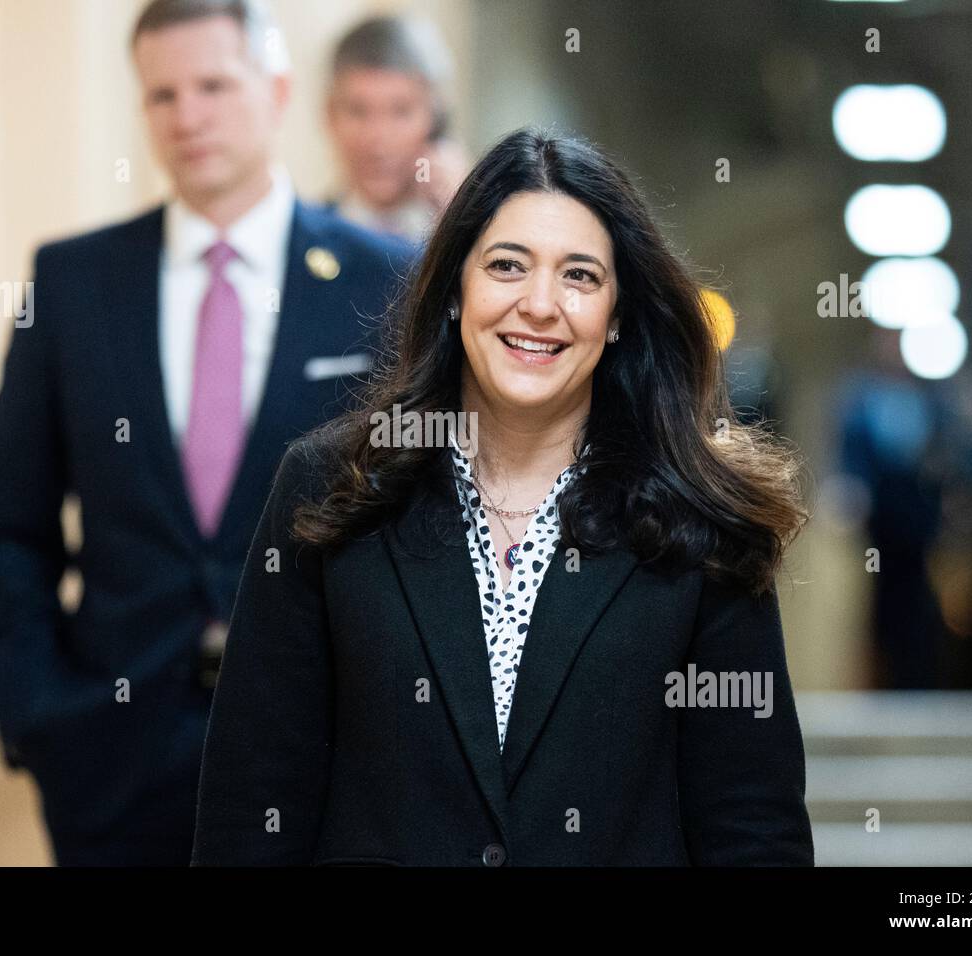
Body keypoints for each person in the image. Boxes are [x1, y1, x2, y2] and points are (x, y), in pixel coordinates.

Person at [191, 127, 814, 866]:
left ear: (617, 315)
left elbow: (753, 830)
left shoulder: (701, 520)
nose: (540, 304)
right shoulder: (333, 490)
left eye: (580, 276)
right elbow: (251, 806)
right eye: (507, 265)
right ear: (456, 287)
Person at [0, 0, 412, 866]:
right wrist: (39, 716)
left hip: (323, 770)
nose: (189, 115)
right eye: (162, 95)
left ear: (277, 90)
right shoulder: (71, 283)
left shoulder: (382, 279)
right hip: (112, 773)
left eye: (214, 84)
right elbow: (9, 531)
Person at [324, 14, 467, 243]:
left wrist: (462, 216)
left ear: (436, 118)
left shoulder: (471, 236)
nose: (377, 137)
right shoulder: (306, 240)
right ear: (330, 115)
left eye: (401, 111)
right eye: (358, 111)